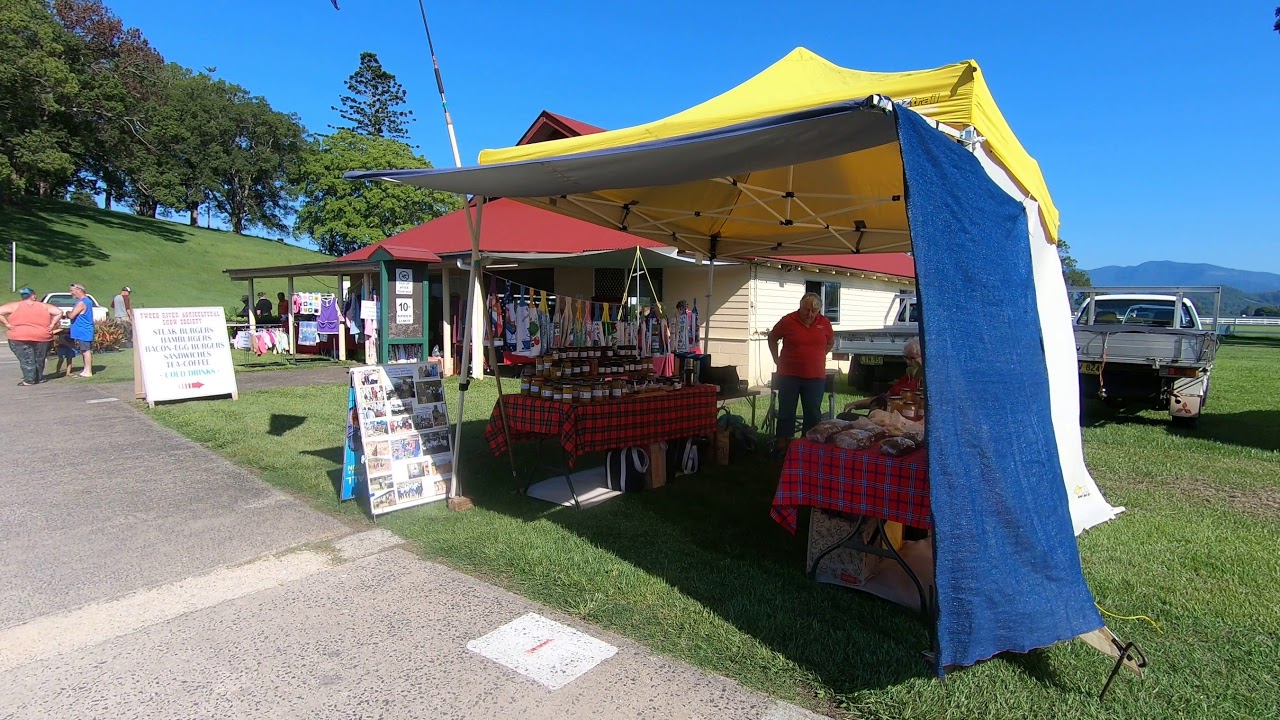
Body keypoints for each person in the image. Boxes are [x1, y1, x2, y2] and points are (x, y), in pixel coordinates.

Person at [767, 292, 834, 458]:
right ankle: (781, 445)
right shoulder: (788, 321)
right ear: (800, 306)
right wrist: (777, 359)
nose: (810, 314)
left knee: (812, 413)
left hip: (815, 377)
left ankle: (807, 447)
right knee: (786, 411)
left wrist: (818, 355)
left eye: (814, 310)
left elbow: (830, 342)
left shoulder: (824, 323)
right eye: (807, 309)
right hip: (789, 375)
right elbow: (772, 338)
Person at [839, 337, 923, 417]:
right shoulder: (908, 377)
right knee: (844, 417)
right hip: (886, 417)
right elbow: (884, 397)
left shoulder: (925, 382)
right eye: (906, 357)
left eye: (912, 358)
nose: (908, 362)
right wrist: (855, 404)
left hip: (902, 420)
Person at [0, 287, 62, 385]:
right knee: (40, 358)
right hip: (42, 336)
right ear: (33, 296)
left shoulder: (15, 306)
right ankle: (38, 377)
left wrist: (7, 324)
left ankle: (29, 379)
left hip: (19, 336)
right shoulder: (44, 306)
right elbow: (59, 312)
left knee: (26, 358)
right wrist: (52, 324)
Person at [67, 283, 96, 377]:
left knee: (86, 350)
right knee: (84, 350)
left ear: (79, 290)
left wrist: (67, 313)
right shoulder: (87, 301)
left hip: (83, 330)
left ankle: (88, 371)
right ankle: (86, 369)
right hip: (84, 329)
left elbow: (71, 315)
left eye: (72, 291)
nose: (71, 293)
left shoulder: (82, 302)